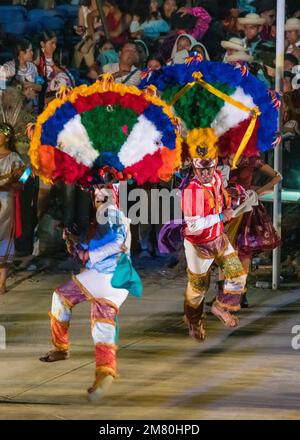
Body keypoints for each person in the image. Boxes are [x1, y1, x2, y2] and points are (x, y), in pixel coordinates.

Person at [40, 184, 139, 402]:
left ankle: (61, 348)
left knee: (61, 298)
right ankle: (104, 376)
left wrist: (89, 255)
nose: (101, 202)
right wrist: (73, 241)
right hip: (116, 282)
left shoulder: (114, 214)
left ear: (114, 198)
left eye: (105, 198)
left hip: (106, 277)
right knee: (102, 326)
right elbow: (88, 248)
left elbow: (118, 243)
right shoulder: (103, 219)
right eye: (97, 199)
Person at [181, 128, 247, 342]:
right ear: (194, 167)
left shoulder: (217, 177)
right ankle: (194, 321)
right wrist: (221, 216)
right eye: (201, 170)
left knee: (237, 274)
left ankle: (219, 307)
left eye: (209, 168)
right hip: (198, 244)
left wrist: (235, 193)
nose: (206, 173)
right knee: (197, 290)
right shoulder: (192, 191)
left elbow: (222, 192)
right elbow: (195, 225)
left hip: (218, 238)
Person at [0, 123, 24, 294]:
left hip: (5, 202)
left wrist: (16, 184)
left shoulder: (14, 157)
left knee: (4, 237)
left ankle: (1, 282)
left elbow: (26, 174)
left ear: (6, 137)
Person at [1, 39, 43, 106]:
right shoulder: (8, 68)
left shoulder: (33, 67)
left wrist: (30, 85)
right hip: (14, 112)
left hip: (33, 109)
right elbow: (2, 90)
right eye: (30, 50)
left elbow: (40, 86)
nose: (32, 53)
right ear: (21, 53)